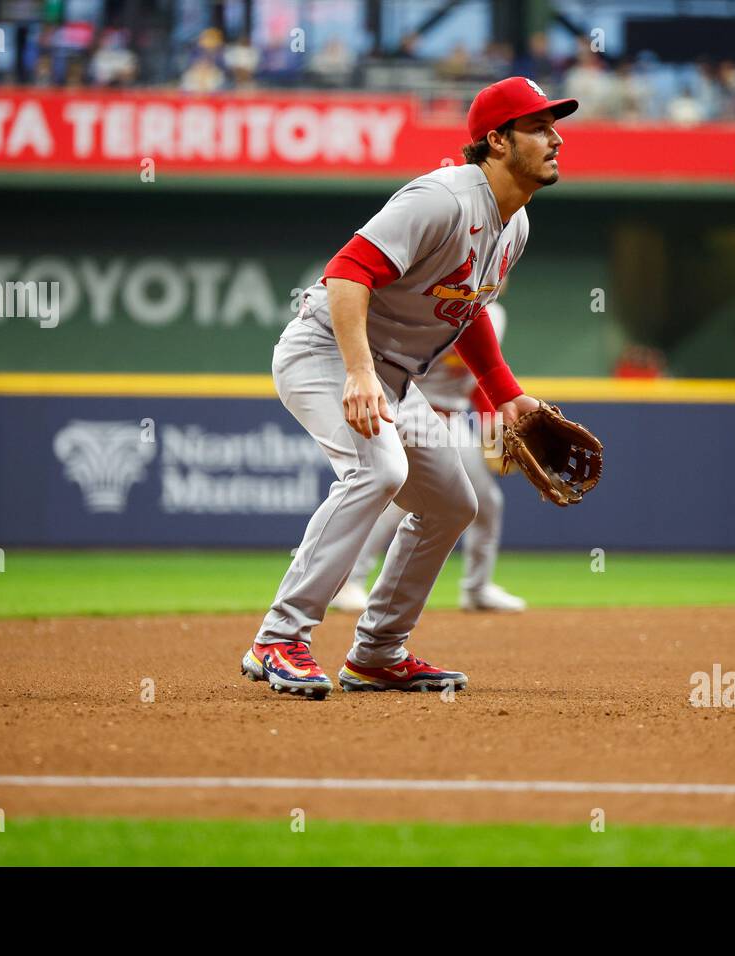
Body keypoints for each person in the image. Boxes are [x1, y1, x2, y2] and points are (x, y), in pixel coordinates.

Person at [242, 77, 577, 698]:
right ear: (497, 140)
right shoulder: (443, 199)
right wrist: (359, 372)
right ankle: (280, 637)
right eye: (538, 127)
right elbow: (347, 271)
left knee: (452, 502)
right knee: (378, 472)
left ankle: (377, 653)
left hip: (395, 376)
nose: (556, 137)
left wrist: (507, 396)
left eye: (553, 125)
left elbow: (466, 307)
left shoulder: (516, 224)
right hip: (326, 353)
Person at [331, 285, 526, 615]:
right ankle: (349, 583)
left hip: (454, 418)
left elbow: (479, 379)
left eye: (504, 271)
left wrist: (493, 428)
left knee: (487, 502)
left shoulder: (495, 315)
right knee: (398, 505)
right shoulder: (436, 308)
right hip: (414, 409)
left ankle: (477, 589)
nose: (499, 276)